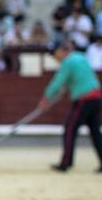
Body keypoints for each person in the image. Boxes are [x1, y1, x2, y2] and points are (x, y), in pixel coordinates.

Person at [43, 42, 102, 172]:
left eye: (55, 54)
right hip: (97, 98)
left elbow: (58, 82)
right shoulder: (81, 57)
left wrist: (46, 98)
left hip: (84, 99)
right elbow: (78, 77)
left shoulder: (68, 62)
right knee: (96, 132)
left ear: (62, 51)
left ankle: (66, 163)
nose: (55, 57)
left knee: (70, 129)